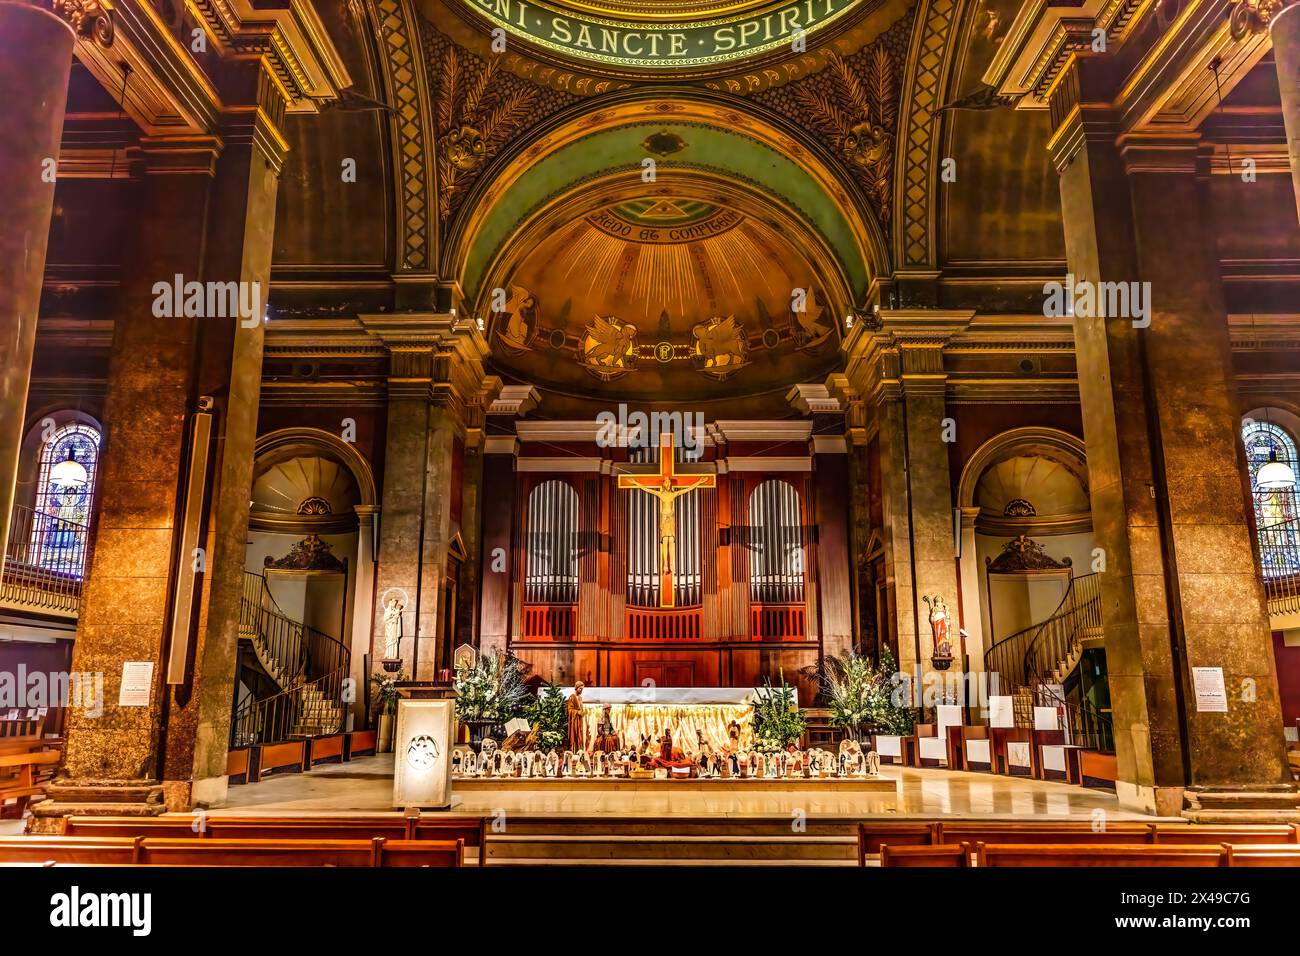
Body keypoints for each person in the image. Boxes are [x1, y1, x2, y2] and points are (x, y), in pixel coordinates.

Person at [566, 682, 588, 751]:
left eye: (582, 689)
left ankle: (579, 751)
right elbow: (569, 710)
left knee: (580, 735)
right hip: (574, 721)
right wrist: (577, 712)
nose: (581, 690)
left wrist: (583, 712)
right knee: (574, 735)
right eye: (580, 688)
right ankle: (574, 751)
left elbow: (580, 709)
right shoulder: (572, 697)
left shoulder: (580, 698)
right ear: (576, 688)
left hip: (579, 720)